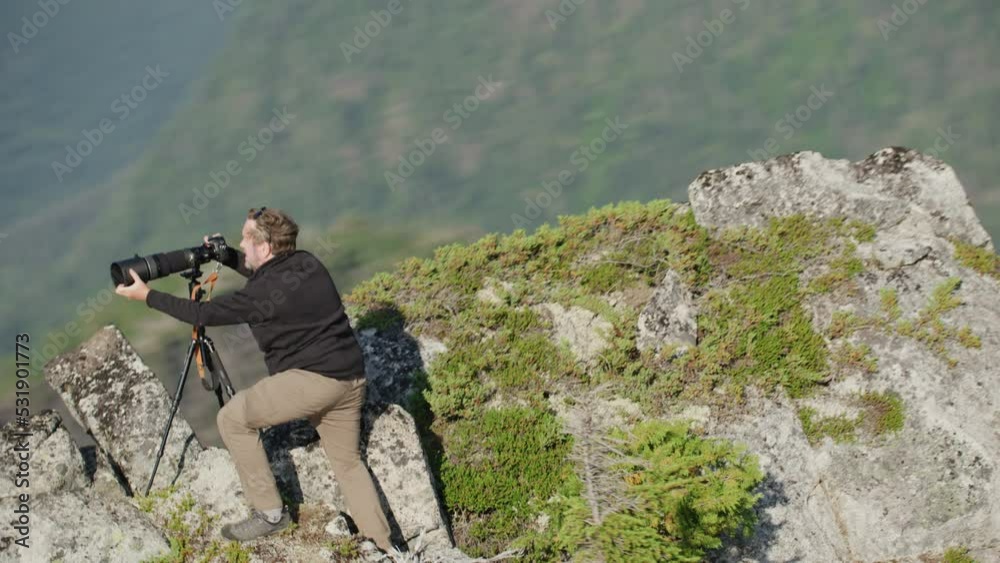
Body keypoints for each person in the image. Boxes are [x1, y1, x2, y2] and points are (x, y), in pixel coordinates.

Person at [114, 206, 395, 550]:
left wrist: (147, 296)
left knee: (231, 418)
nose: (242, 245)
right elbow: (264, 276)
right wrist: (227, 255)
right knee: (349, 465)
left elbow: (204, 313)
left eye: (246, 239)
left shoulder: (262, 292)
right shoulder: (307, 263)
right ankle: (385, 548)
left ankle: (270, 515)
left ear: (264, 247)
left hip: (313, 382)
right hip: (350, 380)